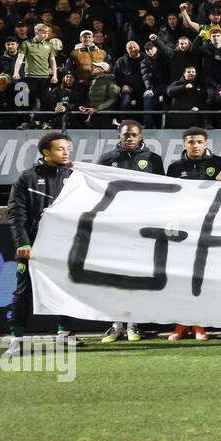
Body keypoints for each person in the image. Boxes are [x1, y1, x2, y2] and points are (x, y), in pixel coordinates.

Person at [5, 131, 77, 356]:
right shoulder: (26, 178)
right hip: (32, 248)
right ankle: (16, 338)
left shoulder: (75, 176)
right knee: (24, 291)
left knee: (64, 288)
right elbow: (16, 215)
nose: (65, 152)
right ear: (45, 152)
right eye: (59, 148)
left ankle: (64, 334)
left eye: (67, 148)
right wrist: (22, 244)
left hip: (63, 246)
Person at [96, 120, 163, 342]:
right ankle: (116, 325)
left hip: (141, 227)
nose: (130, 138)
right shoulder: (106, 160)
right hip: (114, 227)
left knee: (136, 276)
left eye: (134, 135)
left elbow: (163, 191)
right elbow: (96, 189)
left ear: (141, 135)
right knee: (113, 277)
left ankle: (134, 324)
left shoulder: (154, 160)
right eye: (126, 135)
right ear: (119, 136)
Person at [164, 127, 221, 341]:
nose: (195, 146)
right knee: (183, 279)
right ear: (184, 144)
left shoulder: (220, 163)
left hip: (211, 228)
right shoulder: (174, 167)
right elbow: (171, 199)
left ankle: (201, 325)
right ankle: (182, 325)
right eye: (191, 142)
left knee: (204, 278)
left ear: (206, 143)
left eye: (199, 142)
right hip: (185, 229)